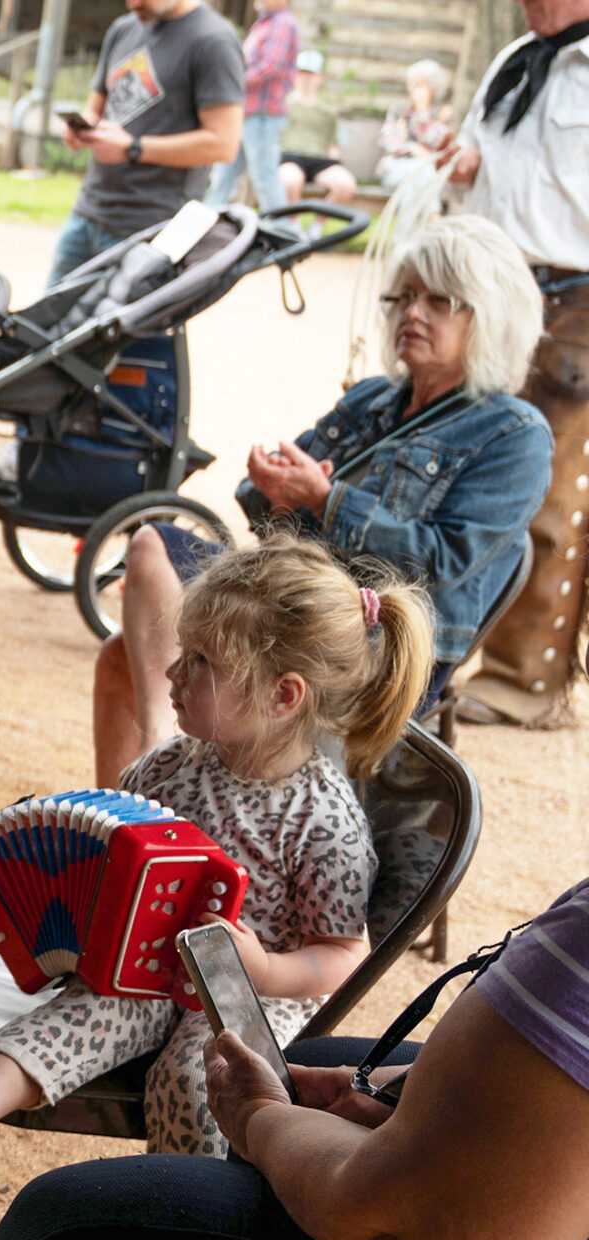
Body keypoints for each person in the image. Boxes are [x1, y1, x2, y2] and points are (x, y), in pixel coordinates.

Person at [0, 538, 430, 1210]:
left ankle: (177, 1215)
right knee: (77, 1013)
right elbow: (116, 857)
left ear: (282, 695)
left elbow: (343, 954)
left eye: (200, 662)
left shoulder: (324, 818)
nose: (173, 673)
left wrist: (262, 968)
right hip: (146, 968)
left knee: (204, 1076)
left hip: (250, 995)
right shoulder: (172, 765)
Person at [0, 872, 589, 1240]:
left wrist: (259, 1119)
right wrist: (404, 1093)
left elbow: (421, 1232)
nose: (173, 697)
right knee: (319, 1064)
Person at [92, 215, 551, 787]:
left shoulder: (515, 433)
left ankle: (156, 794)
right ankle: (128, 820)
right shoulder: (373, 398)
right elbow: (266, 515)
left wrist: (328, 499)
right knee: (148, 554)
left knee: (152, 662)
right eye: (405, 296)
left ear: (492, 317)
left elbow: (445, 561)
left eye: (439, 300)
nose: (412, 313)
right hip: (287, 607)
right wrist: (278, 492)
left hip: (374, 647)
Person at [445, 0, 589, 728]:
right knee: (481, 471)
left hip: (579, 297)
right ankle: (449, 650)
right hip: (500, 287)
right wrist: (463, 162)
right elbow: (481, 160)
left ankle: (524, 680)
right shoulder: (513, 62)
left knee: (554, 491)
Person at [49, 0, 244, 285]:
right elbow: (96, 107)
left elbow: (223, 144)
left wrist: (133, 148)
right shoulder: (123, 28)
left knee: (131, 329)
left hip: (152, 229)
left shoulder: (213, 41)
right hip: (88, 213)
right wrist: (82, 128)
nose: (133, 4)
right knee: (46, 326)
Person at [205, 0, 298, 212]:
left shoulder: (282, 23)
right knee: (222, 178)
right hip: (245, 114)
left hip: (263, 115)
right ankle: (204, 227)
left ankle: (280, 235)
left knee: (264, 179)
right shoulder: (264, 23)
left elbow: (270, 67)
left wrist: (232, 80)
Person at [276, 50, 359, 206]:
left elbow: (332, 146)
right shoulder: (282, 106)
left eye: (311, 74)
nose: (305, 78)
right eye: (302, 73)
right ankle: (294, 225)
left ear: (320, 77)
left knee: (346, 185)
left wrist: (336, 163)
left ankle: (317, 227)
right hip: (289, 157)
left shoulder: (328, 112)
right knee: (290, 181)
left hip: (319, 160)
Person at [374, 59, 454, 191]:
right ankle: (434, 212)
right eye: (412, 84)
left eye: (420, 85)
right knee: (417, 172)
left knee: (418, 174)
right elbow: (387, 140)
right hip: (395, 166)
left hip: (428, 171)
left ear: (433, 88)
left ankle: (430, 213)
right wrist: (411, 147)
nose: (413, 90)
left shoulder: (440, 115)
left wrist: (423, 114)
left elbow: (438, 144)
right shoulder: (400, 110)